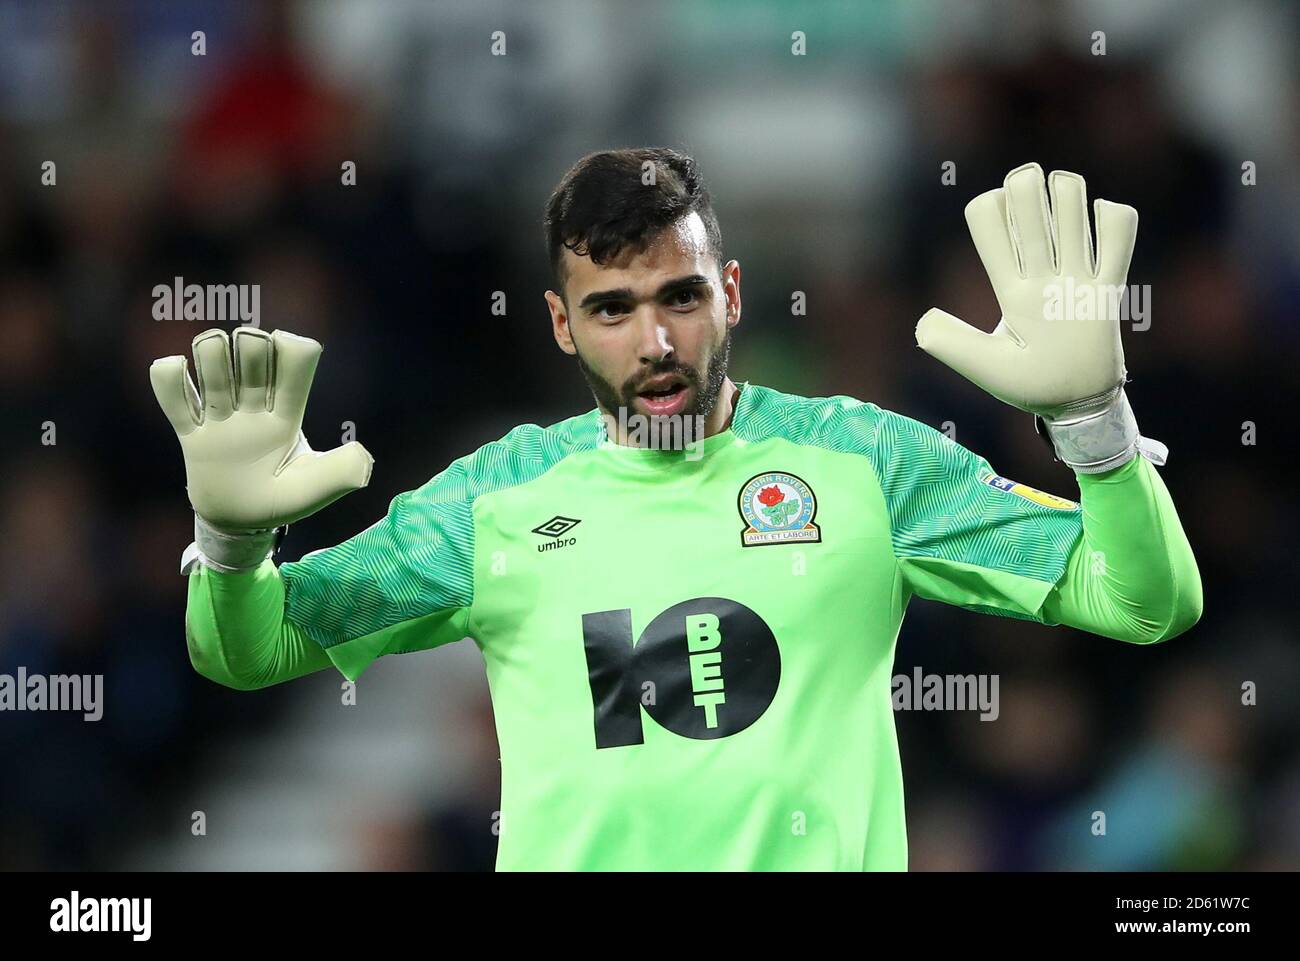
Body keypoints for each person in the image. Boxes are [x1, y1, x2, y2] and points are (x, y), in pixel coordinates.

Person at [151, 147, 1201, 870]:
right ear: (563, 325)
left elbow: (1143, 603)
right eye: (612, 309)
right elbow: (252, 649)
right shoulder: (497, 498)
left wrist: (1094, 428)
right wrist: (231, 547)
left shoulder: (867, 462)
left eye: (679, 297)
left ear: (730, 295)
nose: (653, 343)